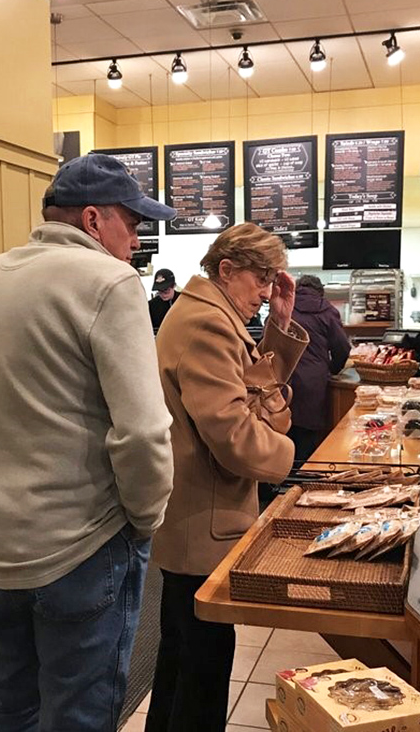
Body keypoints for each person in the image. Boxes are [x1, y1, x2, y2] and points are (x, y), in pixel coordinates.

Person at [0, 153, 176, 732]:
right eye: (132, 222)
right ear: (93, 220)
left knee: (8, 703)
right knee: (79, 713)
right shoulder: (110, 282)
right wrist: (144, 519)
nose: (136, 239)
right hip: (84, 545)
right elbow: (142, 430)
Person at [145, 222, 309, 732]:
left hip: (197, 515)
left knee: (183, 657)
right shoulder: (208, 325)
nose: (265, 291)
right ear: (227, 269)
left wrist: (278, 325)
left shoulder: (213, 315)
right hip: (203, 518)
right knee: (202, 666)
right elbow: (235, 435)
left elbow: (260, 397)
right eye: (261, 279)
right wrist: (295, 463)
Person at [289, 274, 351, 464]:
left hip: (284, 381)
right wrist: (333, 369)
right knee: (307, 442)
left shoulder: (284, 306)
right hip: (313, 383)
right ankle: (303, 478)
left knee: (284, 435)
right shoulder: (327, 310)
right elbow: (342, 348)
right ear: (320, 292)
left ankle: (283, 480)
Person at [149, 268, 180, 333]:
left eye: (166, 291)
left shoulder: (185, 301)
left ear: (174, 286)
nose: (163, 294)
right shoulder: (151, 305)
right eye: (160, 291)